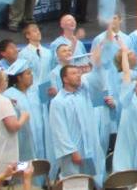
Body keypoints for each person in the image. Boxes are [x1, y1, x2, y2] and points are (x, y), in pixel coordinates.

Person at [48, 54, 106, 183]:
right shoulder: (58, 102)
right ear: (65, 79)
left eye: (78, 73)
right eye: (74, 73)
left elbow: (96, 79)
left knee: (92, 181)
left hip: (90, 149)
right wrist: (72, 151)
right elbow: (59, 131)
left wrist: (96, 64)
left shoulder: (84, 93)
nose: (78, 75)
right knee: (75, 183)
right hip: (74, 152)